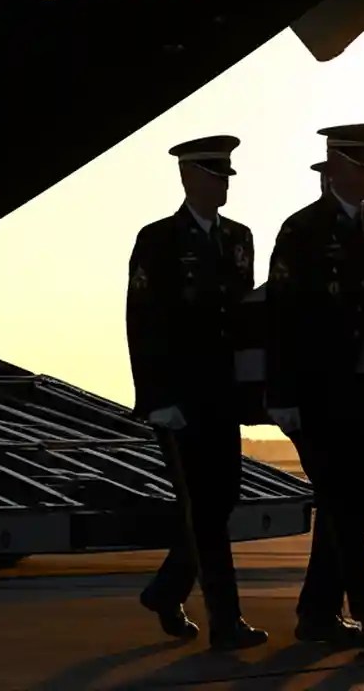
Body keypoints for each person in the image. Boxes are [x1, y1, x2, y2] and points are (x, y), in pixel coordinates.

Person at [265, 124, 364, 654]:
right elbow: (280, 315)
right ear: (333, 170)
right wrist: (280, 393)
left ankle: (316, 613)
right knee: (340, 500)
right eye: (360, 165)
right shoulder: (301, 230)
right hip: (314, 388)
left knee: (362, 498)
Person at [126, 134, 268, 650]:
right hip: (179, 399)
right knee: (206, 509)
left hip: (223, 394)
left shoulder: (239, 239)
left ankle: (166, 590)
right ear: (188, 178)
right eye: (212, 175)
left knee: (221, 499)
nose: (221, 184)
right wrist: (157, 398)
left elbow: (246, 320)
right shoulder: (159, 240)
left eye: (225, 174)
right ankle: (226, 622)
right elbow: (143, 322)